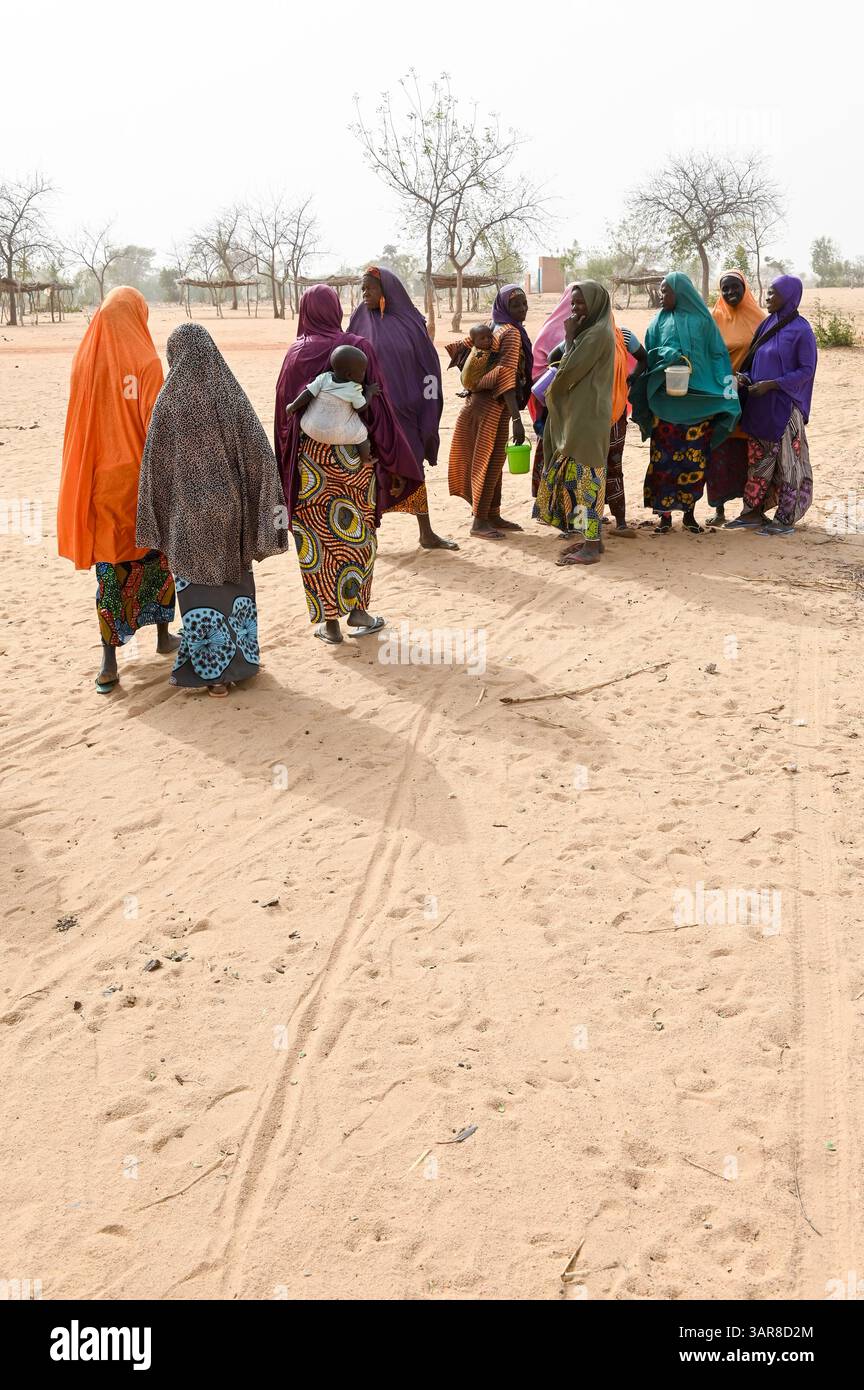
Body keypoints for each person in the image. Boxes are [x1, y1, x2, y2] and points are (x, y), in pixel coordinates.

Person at [136, 323, 290, 696]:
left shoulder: (169, 401)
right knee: (234, 585)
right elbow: (260, 456)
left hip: (187, 520)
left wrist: (153, 517)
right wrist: (264, 508)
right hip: (229, 513)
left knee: (200, 594)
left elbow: (152, 466)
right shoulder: (230, 394)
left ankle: (214, 676)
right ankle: (242, 664)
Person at [275, 283, 424, 645]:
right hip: (354, 460)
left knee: (317, 537)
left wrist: (288, 465)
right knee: (355, 531)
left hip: (311, 463)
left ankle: (329, 624)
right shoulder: (359, 347)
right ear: (337, 309)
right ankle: (358, 611)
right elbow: (378, 406)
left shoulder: (295, 355)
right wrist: (384, 452)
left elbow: (284, 416)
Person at [57, 286, 179, 693]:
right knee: (157, 558)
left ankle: (109, 662)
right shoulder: (146, 362)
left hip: (101, 484)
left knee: (111, 571)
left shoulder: (84, 359)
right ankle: (163, 636)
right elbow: (156, 425)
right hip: (141, 482)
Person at [349, 267, 457, 550]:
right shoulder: (359, 318)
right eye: (362, 289)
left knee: (413, 468)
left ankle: (427, 533)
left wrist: (428, 406)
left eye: (369, 288)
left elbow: (429, 367)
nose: (364, 294)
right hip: (372, 413)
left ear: (386, 291)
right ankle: (368, 538)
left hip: (407, 412)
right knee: (371, 473)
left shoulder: (411, 322)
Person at [630, 272, 739, 533]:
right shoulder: (656, 322)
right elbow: (650, 355)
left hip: (698, 406)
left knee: (693, 462)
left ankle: (689, 514)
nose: (662, 295)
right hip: (665, 406)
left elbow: (717, 357)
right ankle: (665, 516)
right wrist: (666, 357)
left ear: (681, 292)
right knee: (663, 462)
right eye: (661, 291)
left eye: (666, 291)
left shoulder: (704, 322)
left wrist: (726, 392)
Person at [534, 281, 616, 566]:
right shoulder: (593, 332)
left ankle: (591, 547)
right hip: (583, 416)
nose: (575, 309)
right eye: (573, 303)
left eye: (581, 303)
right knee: (583, 483)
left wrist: (569, 338)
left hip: (587, 420)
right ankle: (592, 539)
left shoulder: (594, 335)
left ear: (594, 304)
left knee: (586, 484)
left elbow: (566, 372)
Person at [727, 275, 817, 535]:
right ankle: (752, 512)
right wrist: (745, 378)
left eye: (772, 294)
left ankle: (785, 518)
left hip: (784, 408)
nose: (766, 298)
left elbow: (806, 371)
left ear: (788, 296)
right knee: (758, 462)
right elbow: (754, 361)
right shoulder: (767, 324)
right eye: (766, 293)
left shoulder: (801, 330)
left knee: (790, 464)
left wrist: (773, 384)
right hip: (759, 407)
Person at [446, 284, 531, 539]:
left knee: (493, 460)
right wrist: (517, 418)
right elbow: (507, 375)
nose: (522, 309)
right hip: (493, 405)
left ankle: (492, 513)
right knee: (488, 461)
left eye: (524, 304)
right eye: (516, 305)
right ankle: (479, 522)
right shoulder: (512, 333)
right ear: (505, 306)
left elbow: (462, 350)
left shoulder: (492, 327)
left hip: (480, 403)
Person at [707, 271, 767, 526]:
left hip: (751, 393)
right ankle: (719, 511)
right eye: (725, 289)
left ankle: (752, 509)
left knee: (751, 452)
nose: (730, 293)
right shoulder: (714, 319)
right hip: (722, 392)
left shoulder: (760, 319)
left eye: (735, 287)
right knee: (719, 447)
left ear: (745, 288)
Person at [285, 343, 378, 463]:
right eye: (363, 371)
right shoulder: (353, 388)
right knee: (362, 435)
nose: (364, 373)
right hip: (338, 435)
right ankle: (366, 459)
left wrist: (292, 406)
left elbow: (307, 394)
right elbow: (360, 408)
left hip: (310, 429)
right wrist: (369, 392)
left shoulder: (323, 378)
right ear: (349, 375)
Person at [459, 323, 498, 392]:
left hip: (465, 382)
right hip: (474, 386)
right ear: (473, 341)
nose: (487, 340)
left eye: (489, 337)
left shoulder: (473, 348)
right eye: (482, 338)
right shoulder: (483, 354)